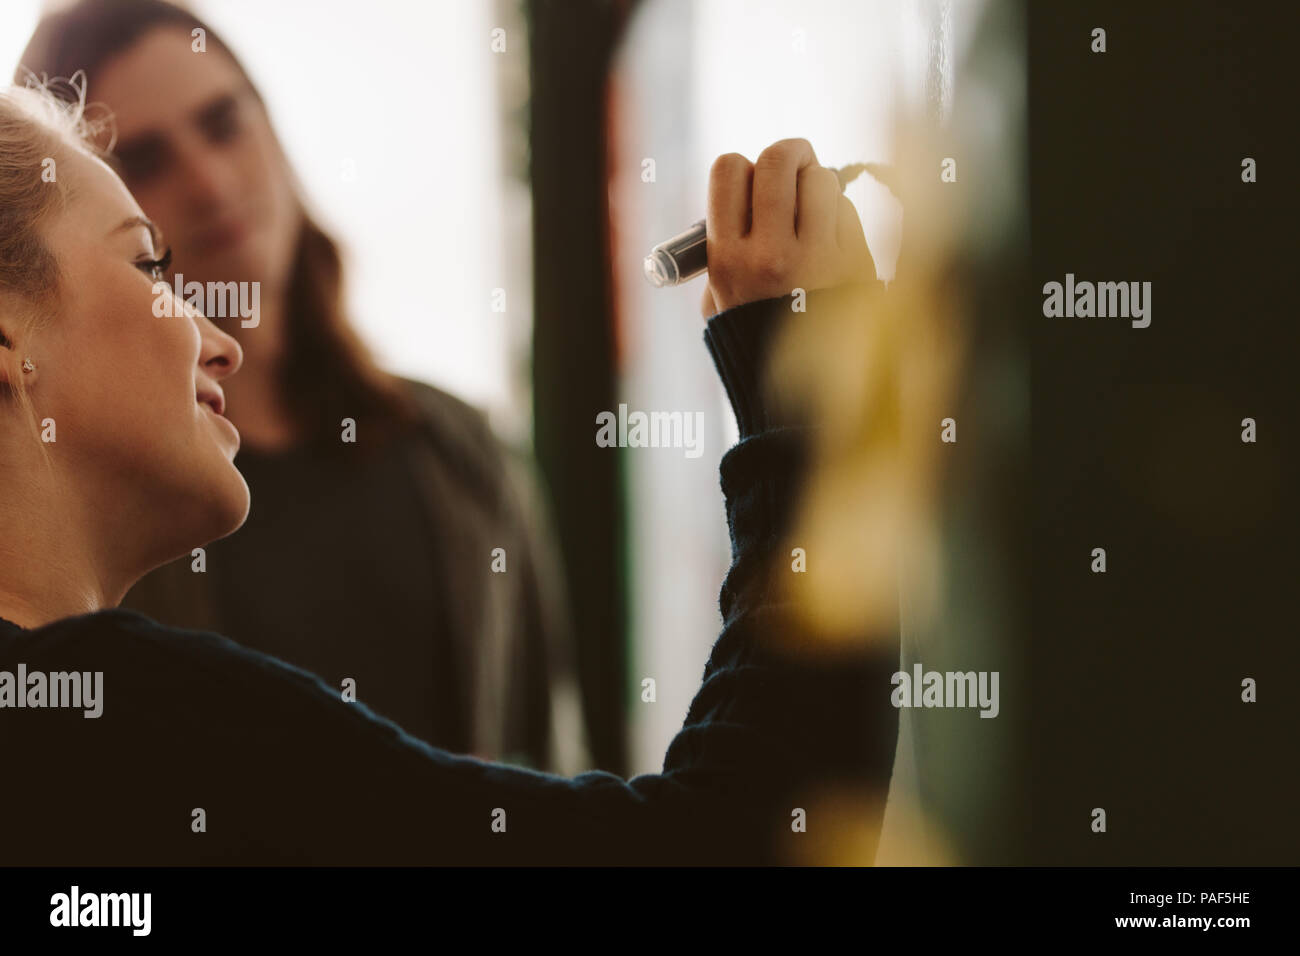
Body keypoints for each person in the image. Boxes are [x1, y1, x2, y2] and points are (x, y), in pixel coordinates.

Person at [0, 72, 897, 864]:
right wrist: (809, 400)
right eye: (149, 267)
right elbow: (726, 847)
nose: (219, 344)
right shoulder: (130, 720)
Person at [16, 0, 586, 773]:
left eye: (224, 124)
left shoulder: (458, 449)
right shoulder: (104, 515)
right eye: (145, 161)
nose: (212, 185)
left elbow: (549, 758)